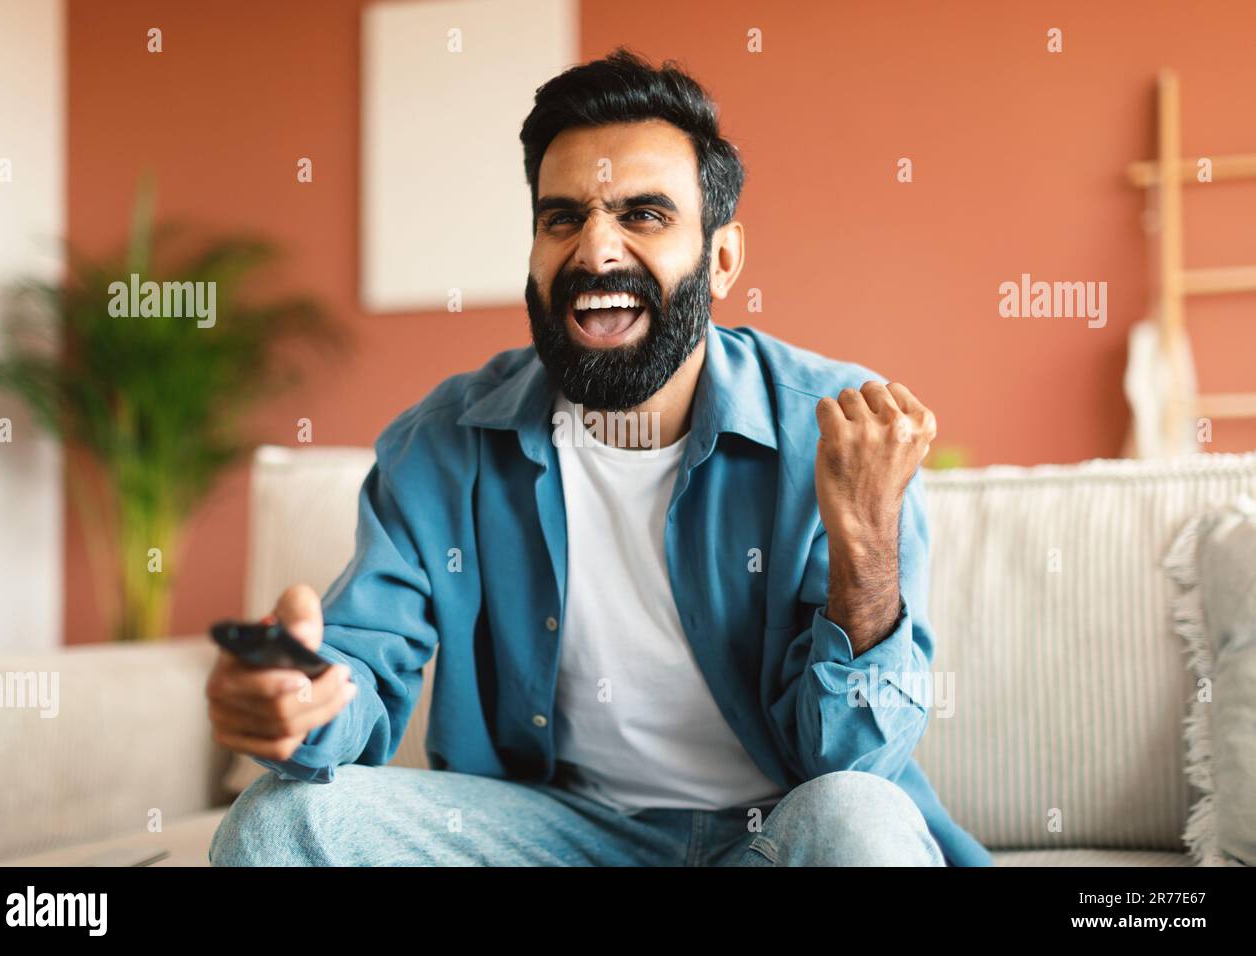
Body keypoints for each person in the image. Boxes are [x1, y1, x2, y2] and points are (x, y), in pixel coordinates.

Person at [207, 47, 992, 867]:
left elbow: (853, 763)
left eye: (644, 215)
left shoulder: (833, 430)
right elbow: (361, 666)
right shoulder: (442, 442)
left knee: (859, 818)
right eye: (562, 218)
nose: (596, 252)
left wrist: (865, 541)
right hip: (552, 838)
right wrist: (297, 703)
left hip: (774, 835)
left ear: (722, 257)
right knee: (279, 820)